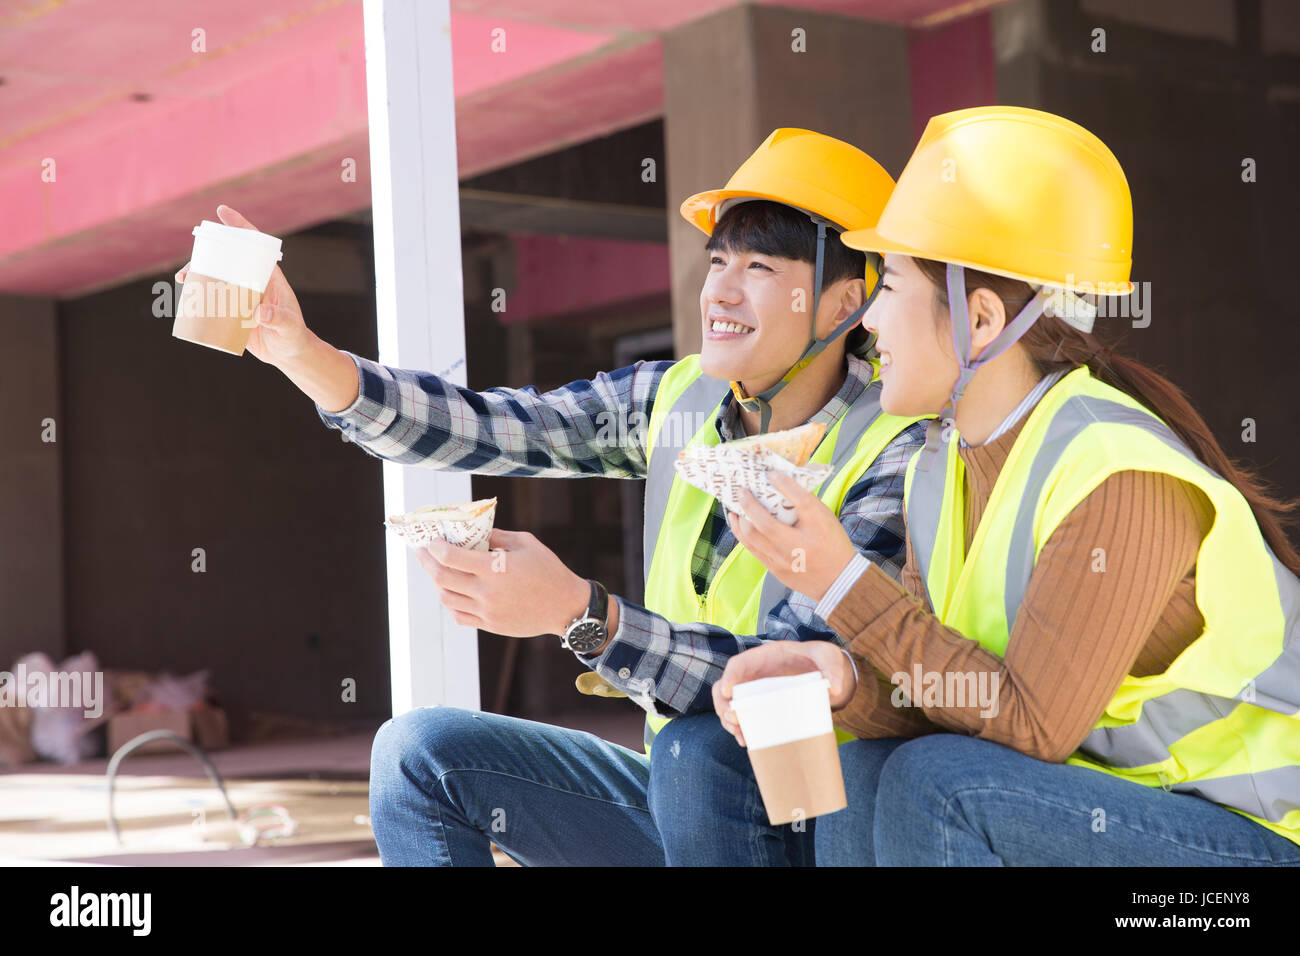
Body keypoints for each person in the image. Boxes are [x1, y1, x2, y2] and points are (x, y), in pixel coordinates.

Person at [177, 128, 931, 866]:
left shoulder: (900, 448)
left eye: (760, 267)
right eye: (717, 260)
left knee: (698, 750)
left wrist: (582, 616)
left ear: (843, 304)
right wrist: (302, 354)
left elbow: (780, 673)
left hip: (814, 824)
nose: (721, 292)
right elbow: (493, 428)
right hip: (679, 801)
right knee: (417, 755)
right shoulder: (671, 400)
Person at [713, 105, 1300, 866]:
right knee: (865, 769)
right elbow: (956, 700)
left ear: (980, 319)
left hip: (1254, 845)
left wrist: (839, 580)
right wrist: (846, 680)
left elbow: (1032, 724)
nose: (872, 324)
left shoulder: (1114, 471)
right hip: (1122, 813)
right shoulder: (941, 464)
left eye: (889, 286)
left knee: (939, 782)